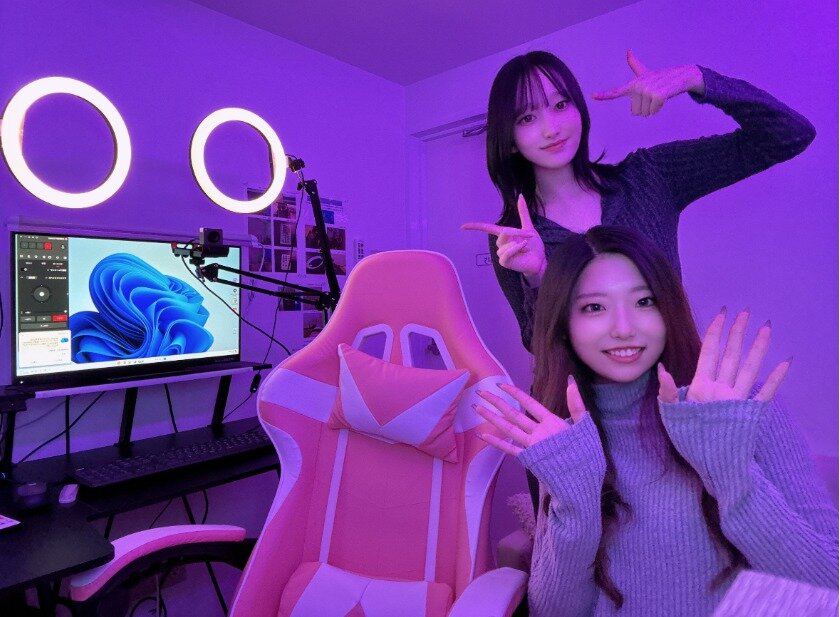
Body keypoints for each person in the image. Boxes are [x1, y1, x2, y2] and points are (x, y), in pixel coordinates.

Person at [473, 226, 838, 617]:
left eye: (644, 301)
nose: (624, 328)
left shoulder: (737, 405)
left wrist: (731, 473)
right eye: (594, 307)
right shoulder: (568, 438)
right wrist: (576, 503)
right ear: (564, 324)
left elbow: (829, 588)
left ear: (667, 310)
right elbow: (556, 612)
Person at [462, 50, 816, 352]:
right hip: (582, 408)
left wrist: (696, 78)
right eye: (527, 117)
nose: (550, 128)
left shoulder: (650, 176)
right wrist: (537, 277)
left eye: (560, 104)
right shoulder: (514, 237)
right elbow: (538, 346)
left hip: (677, 392)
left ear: (579, 110)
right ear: (510, 139)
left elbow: (788, 135)